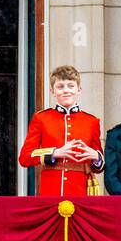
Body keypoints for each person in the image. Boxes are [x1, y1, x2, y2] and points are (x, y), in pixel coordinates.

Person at [17, 65, 104, 197]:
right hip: (50, 191)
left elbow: (99, 167)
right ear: (52, 91)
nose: (66, 90)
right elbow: (25, 157)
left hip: (80, 191)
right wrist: (54, 152)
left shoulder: (91, 121)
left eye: (70, 86)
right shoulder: (41, 118)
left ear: (79, 90)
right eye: (60, 86)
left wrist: (96, 157)